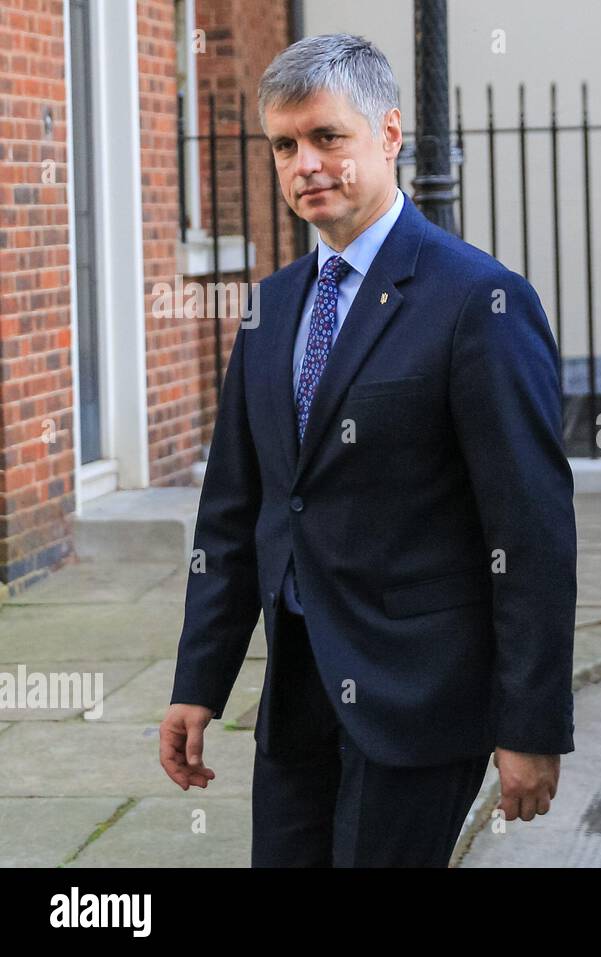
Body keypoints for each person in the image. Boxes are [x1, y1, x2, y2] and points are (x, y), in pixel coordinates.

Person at [159, 34, 577, 867]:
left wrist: (530, 725)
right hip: (298, 698)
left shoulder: (479, 301)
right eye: (285, 145)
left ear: (389, 134)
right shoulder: (271, 308)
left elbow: (529, 528)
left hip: (420, 700)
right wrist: (196, 684)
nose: (304, 164)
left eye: (327, 137)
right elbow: (235, 513)